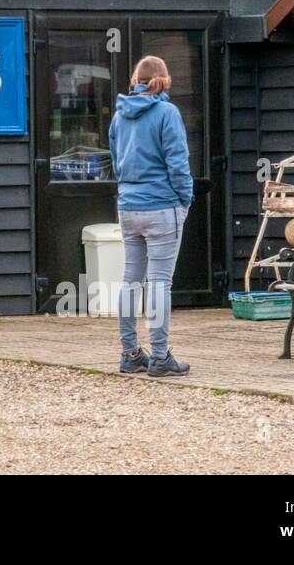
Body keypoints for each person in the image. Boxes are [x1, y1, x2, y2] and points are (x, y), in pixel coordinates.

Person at [108, 55, 194, 377]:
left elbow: (117, 162)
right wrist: (185, 199)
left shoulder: (119, 116)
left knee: (131, 280)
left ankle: (130, 353)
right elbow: (178, 163)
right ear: (165, 80)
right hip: (162, 206)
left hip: (128, 205)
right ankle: (160, 356)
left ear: (136, 79)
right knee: (160, 283)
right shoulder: (167, 114)